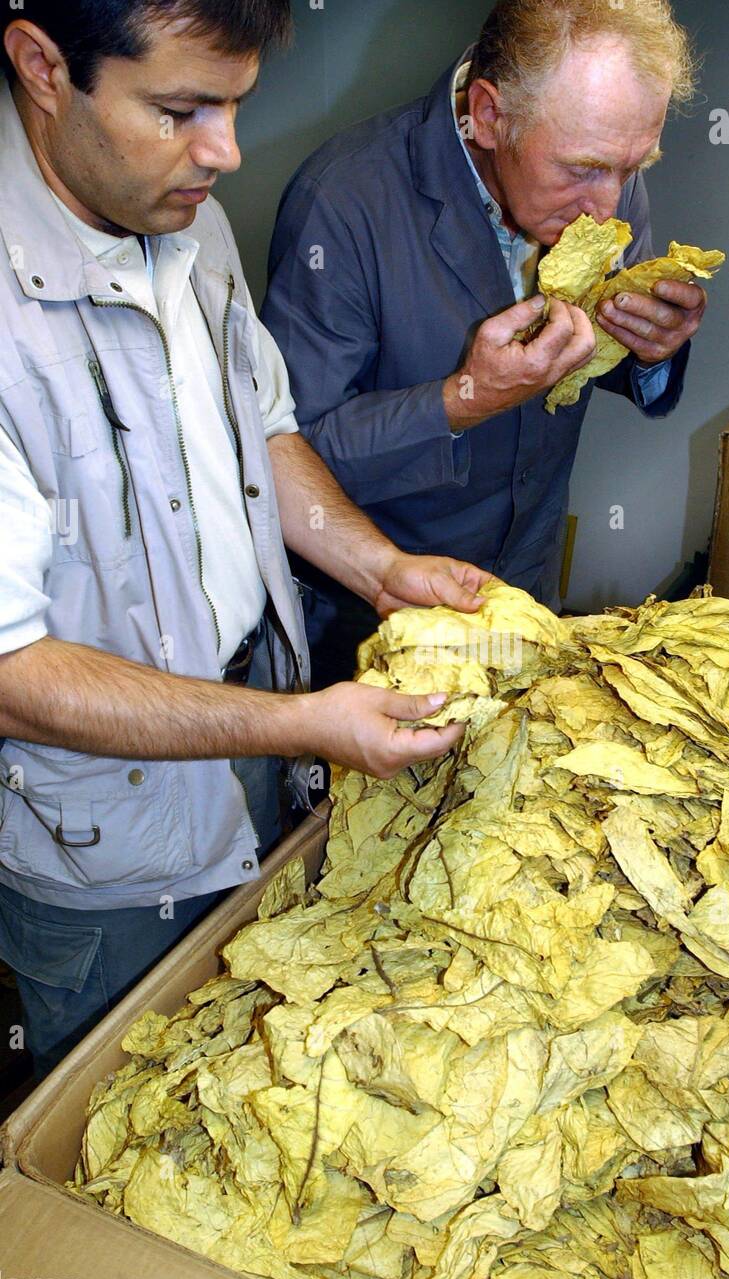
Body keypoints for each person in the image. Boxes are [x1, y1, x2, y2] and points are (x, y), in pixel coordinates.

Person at [0, 0, 490, 1077]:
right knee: (119, 1117)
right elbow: (12, 670)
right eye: (181, 109)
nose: (225, 152)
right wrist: (305, 721)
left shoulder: (190, 219)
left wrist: (383, 567)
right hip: (107, 854)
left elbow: (261, 429)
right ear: (42, 65)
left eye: (236, 105)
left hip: (255, 765)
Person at [262, 0, 707, 690]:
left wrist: (651, 351)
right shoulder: (343, 202)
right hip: (371, 617)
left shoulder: (606, 173)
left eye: (634, 167)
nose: (611, 207)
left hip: (525, 588)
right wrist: (462, 400)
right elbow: (293, 454)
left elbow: (599, 357)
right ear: (491, 116)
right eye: (584, 168)